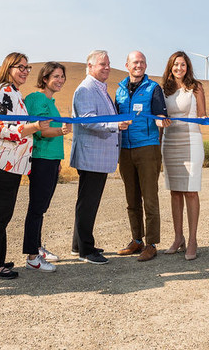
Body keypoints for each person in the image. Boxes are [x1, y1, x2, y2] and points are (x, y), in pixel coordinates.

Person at [0, 53, 50, 279]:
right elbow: (4, 129)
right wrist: (34, 126)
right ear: (8, 68)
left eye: (28, 67)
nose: (25, 71)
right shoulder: (4, 91)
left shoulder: (14, 92)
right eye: (20, 67)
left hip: (5, 162)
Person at [70, 50, 131, 264]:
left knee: (88, 201)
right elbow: (86, 120)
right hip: (91, 155)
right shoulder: (86, 89)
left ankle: (79, 244)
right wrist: (115, 125)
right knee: (88, 202)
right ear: (90, 66)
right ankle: (86, 250)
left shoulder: (99, 88)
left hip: (97, 156)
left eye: (108, 64)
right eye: (102, 64)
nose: (107, 67)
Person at [114, 50, 170, 262]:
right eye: (135, 62)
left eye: (143, 62)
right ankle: (136, 239)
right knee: (131, 198)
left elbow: (160, 115)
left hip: (147, 147)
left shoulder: (153, 88)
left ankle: (152, 243)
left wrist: (160, 121)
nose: (139, 65)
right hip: (125, 149)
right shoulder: (119, 90)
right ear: (127, 64)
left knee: (150, 198)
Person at [21, 62, 73, 272]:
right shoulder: (37, 99)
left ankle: (37, 247)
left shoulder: (51, 101)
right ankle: (32, 257)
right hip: (40, 158)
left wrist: (58, 162)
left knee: (42, 207)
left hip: (52, 160)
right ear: (44, 78)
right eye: (56, 76)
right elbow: (41, 131)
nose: (60, 80)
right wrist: (62, 131)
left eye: (62, 77)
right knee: (36, 208)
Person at [160, 51, 206, 261]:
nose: (179, 68)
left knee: (191, 191)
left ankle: (193, 240)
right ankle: (178, 238)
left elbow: (203, 115)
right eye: (176, 65)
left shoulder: (196, 87)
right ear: (170, 67)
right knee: (175, 192)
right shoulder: (164, 90)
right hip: (169, 142)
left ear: (188, 67)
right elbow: (161, 118)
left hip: (191, 140)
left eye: (183, 65)